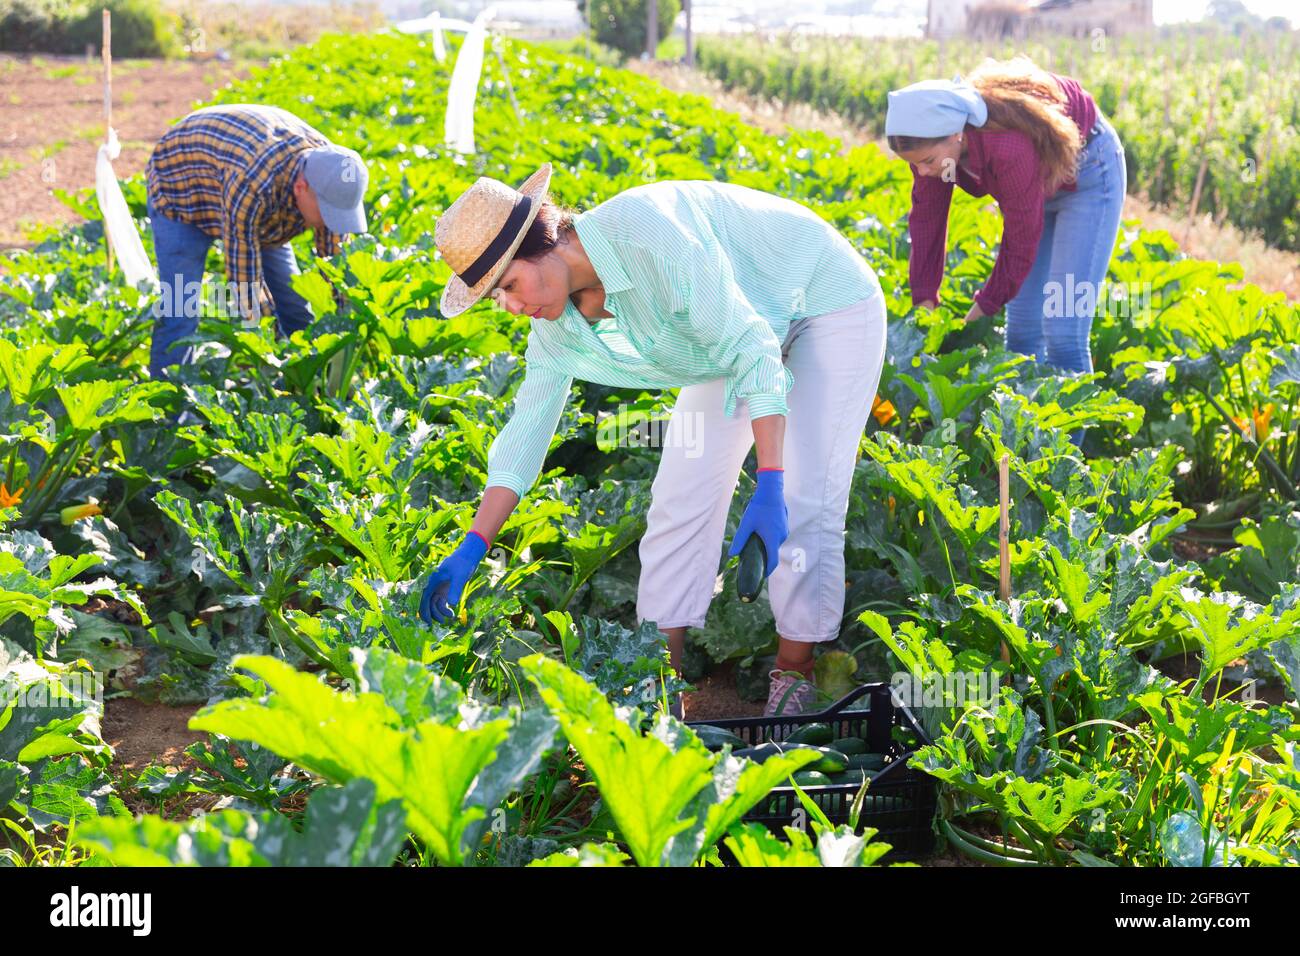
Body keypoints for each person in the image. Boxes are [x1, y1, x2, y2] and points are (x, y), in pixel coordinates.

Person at [418, 163, 888, 718]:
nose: (514, 307)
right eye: (499, 298)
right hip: (730, 329)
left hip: (823, 300)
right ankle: (654, 681)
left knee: (805, 497)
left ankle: (796, 676)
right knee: (680, 496)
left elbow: (752, 348)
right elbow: (527, 429)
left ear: (542, 241)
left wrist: (769, 480)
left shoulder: (650, 235)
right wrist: (476, 541)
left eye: (510, 286)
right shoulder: (556, 324)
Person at [887, 57, 1126, 393]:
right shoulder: (932, 152)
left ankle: (1067, 444)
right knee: (1022, 330)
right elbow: (927, 219)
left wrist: (983, 306)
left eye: (926, 162)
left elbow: (1022, 238)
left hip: (1088, 175)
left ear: (957, 133)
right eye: (915, 165)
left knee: (1064, 330)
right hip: (1033, 188)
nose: (922, 171)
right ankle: (1026, 436)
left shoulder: (1006, 146)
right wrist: (925, 299)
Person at [144, 104, 369, 378]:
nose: (332, 221)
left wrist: (340, 329)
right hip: (180, 189)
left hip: (251, 194)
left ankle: (310, 379)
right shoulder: (252, 182)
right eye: (327, 212)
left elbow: (333, 265)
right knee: (181, 308)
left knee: (297, 304)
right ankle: (168, 408)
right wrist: (271, 355)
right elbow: (245, 284)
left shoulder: (332, 171)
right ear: (301, 189)